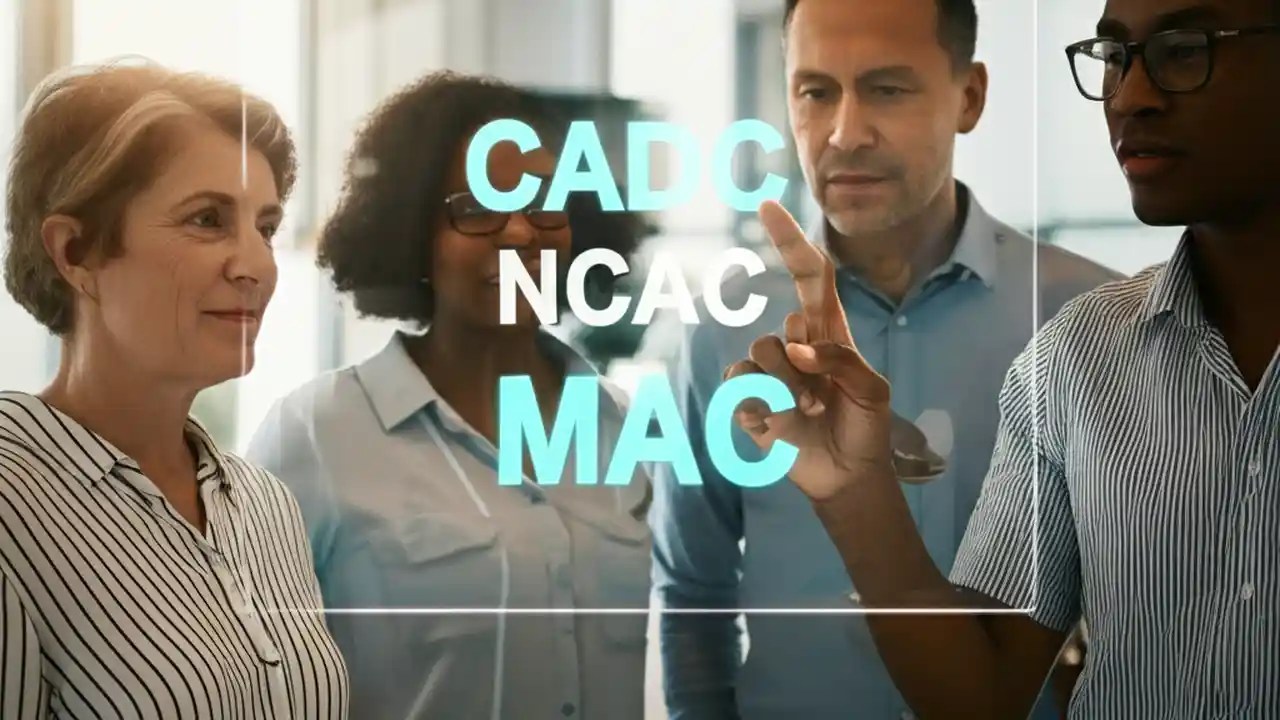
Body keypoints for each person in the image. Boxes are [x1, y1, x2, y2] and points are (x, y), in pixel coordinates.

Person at [726, 0, 1280, 716]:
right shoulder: (1077, 356)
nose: (1129, 97)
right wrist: (857, 491)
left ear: (970, 95)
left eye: (1184, 50)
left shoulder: (1057, 307)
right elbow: (982, 699)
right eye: (1115, 58)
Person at [649, 0, 1120, 718]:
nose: (844, 133)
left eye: (887, 89)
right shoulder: (723, 325)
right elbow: (692, 592)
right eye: (816, 91)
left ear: (969, 97)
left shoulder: (1084, 320)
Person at [245, 71, 652, 720]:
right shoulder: (317, 435)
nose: (519, 234)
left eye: (545, 202)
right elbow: (245, 677)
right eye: (478, 208)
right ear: (412, 234)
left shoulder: (620, 427)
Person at [0, 61, 349, 719]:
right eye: (207, 219)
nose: (256, 265)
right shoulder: (11, 504)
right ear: (75, 253)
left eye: (265, 227)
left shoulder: (268, 508)